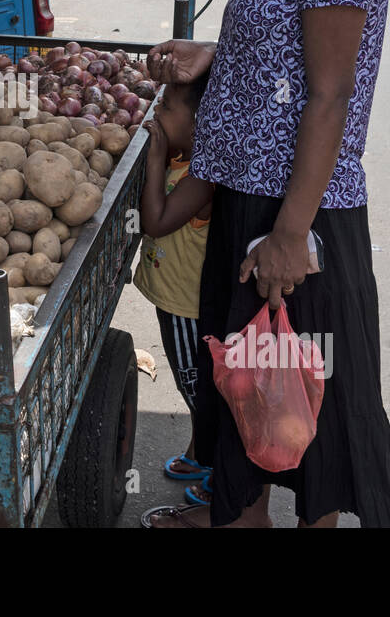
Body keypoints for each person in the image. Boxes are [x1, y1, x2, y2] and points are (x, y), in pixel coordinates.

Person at [142, 0, 390, 529]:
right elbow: (292, 50)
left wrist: (290, 234)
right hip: (256, 201)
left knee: (300, 405)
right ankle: (239, 517)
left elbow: (330, 93)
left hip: (293, 215)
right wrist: (213, 55)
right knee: (256, 395)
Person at [134, 77, 215, 508]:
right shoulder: (187, 157)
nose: (156, 116)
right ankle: (203, 450)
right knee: (198, 385)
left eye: (165, 109)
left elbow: (157, 222)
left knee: (196, 386)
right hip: (174, 302)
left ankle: (222, 472)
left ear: (199, 121)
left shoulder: (202, 175)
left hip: (186, 306)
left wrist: (157, 157)